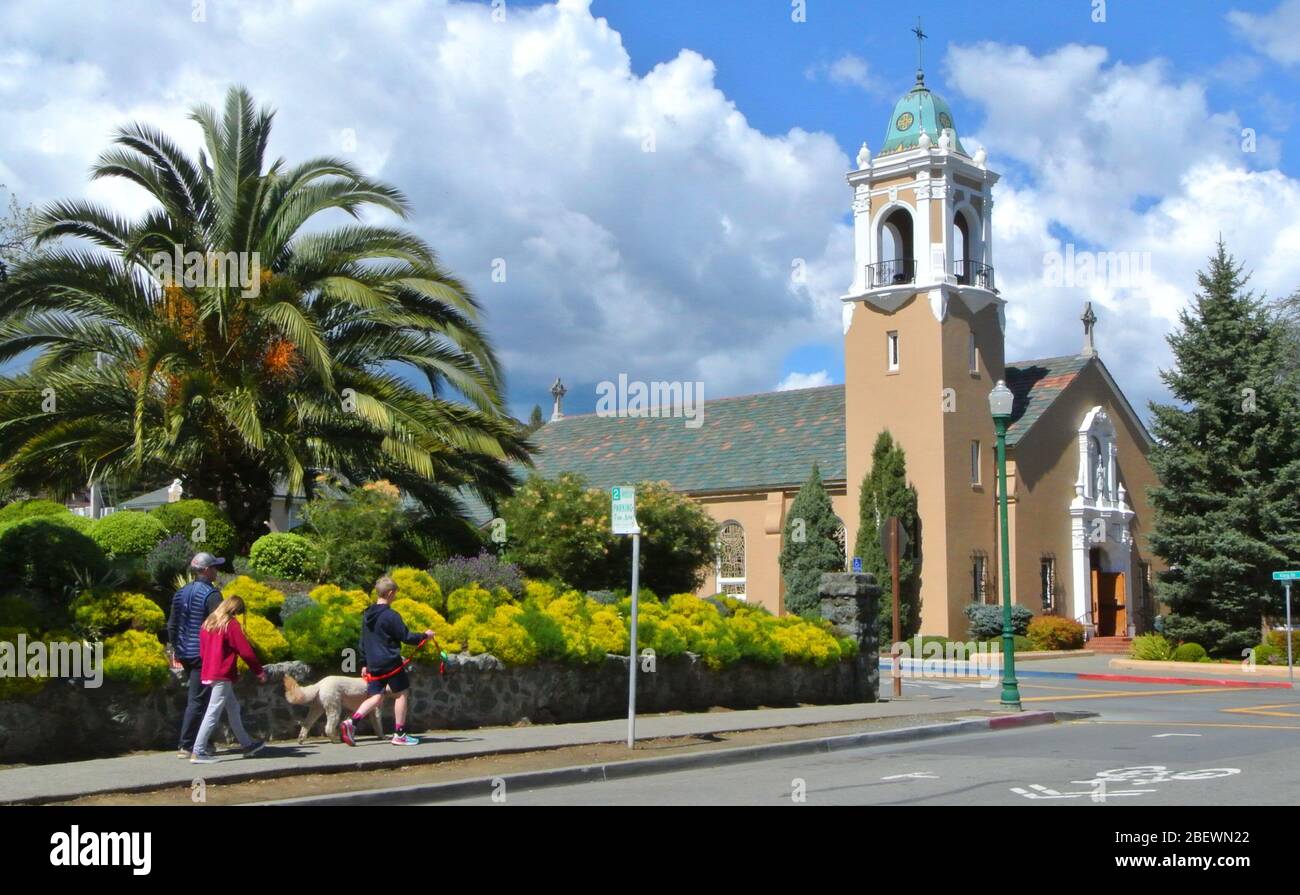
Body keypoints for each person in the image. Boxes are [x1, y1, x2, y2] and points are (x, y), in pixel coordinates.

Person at [341, 575, 434, 747]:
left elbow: (362, 641)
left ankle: (351, 723)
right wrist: (425, 636)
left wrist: (364, 663)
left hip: (373, 664)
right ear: (390, 593)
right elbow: (405, 637)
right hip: (390, 663)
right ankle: (399, 734)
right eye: (395, 594)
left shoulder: (367, 615)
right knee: (402, 693)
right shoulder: (391, 616)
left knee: (376, 696)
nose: (395, 597)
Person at [190, 595, 268, 764]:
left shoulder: (208, 623)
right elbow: (245, 651)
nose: (238, 616)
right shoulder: (230, 625)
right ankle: (198, 751)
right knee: (213, 712)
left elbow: (203, 652)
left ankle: (247, 745)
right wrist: (259, 671)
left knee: (233, 708)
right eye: (238, 612)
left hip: (210, 672)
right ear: (234, 609)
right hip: (222, 674)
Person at [167, 552, 226, 759]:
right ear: (206, 570)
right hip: (203, 654)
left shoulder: (181, 592)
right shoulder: (212, 595)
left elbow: (172, 625)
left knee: (200, 698)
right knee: (200, 700)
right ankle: (188, 744)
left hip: (185, 652)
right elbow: (220, 626)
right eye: (215, 567)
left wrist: (177, 648)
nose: (217, 571)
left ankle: (203, 742)